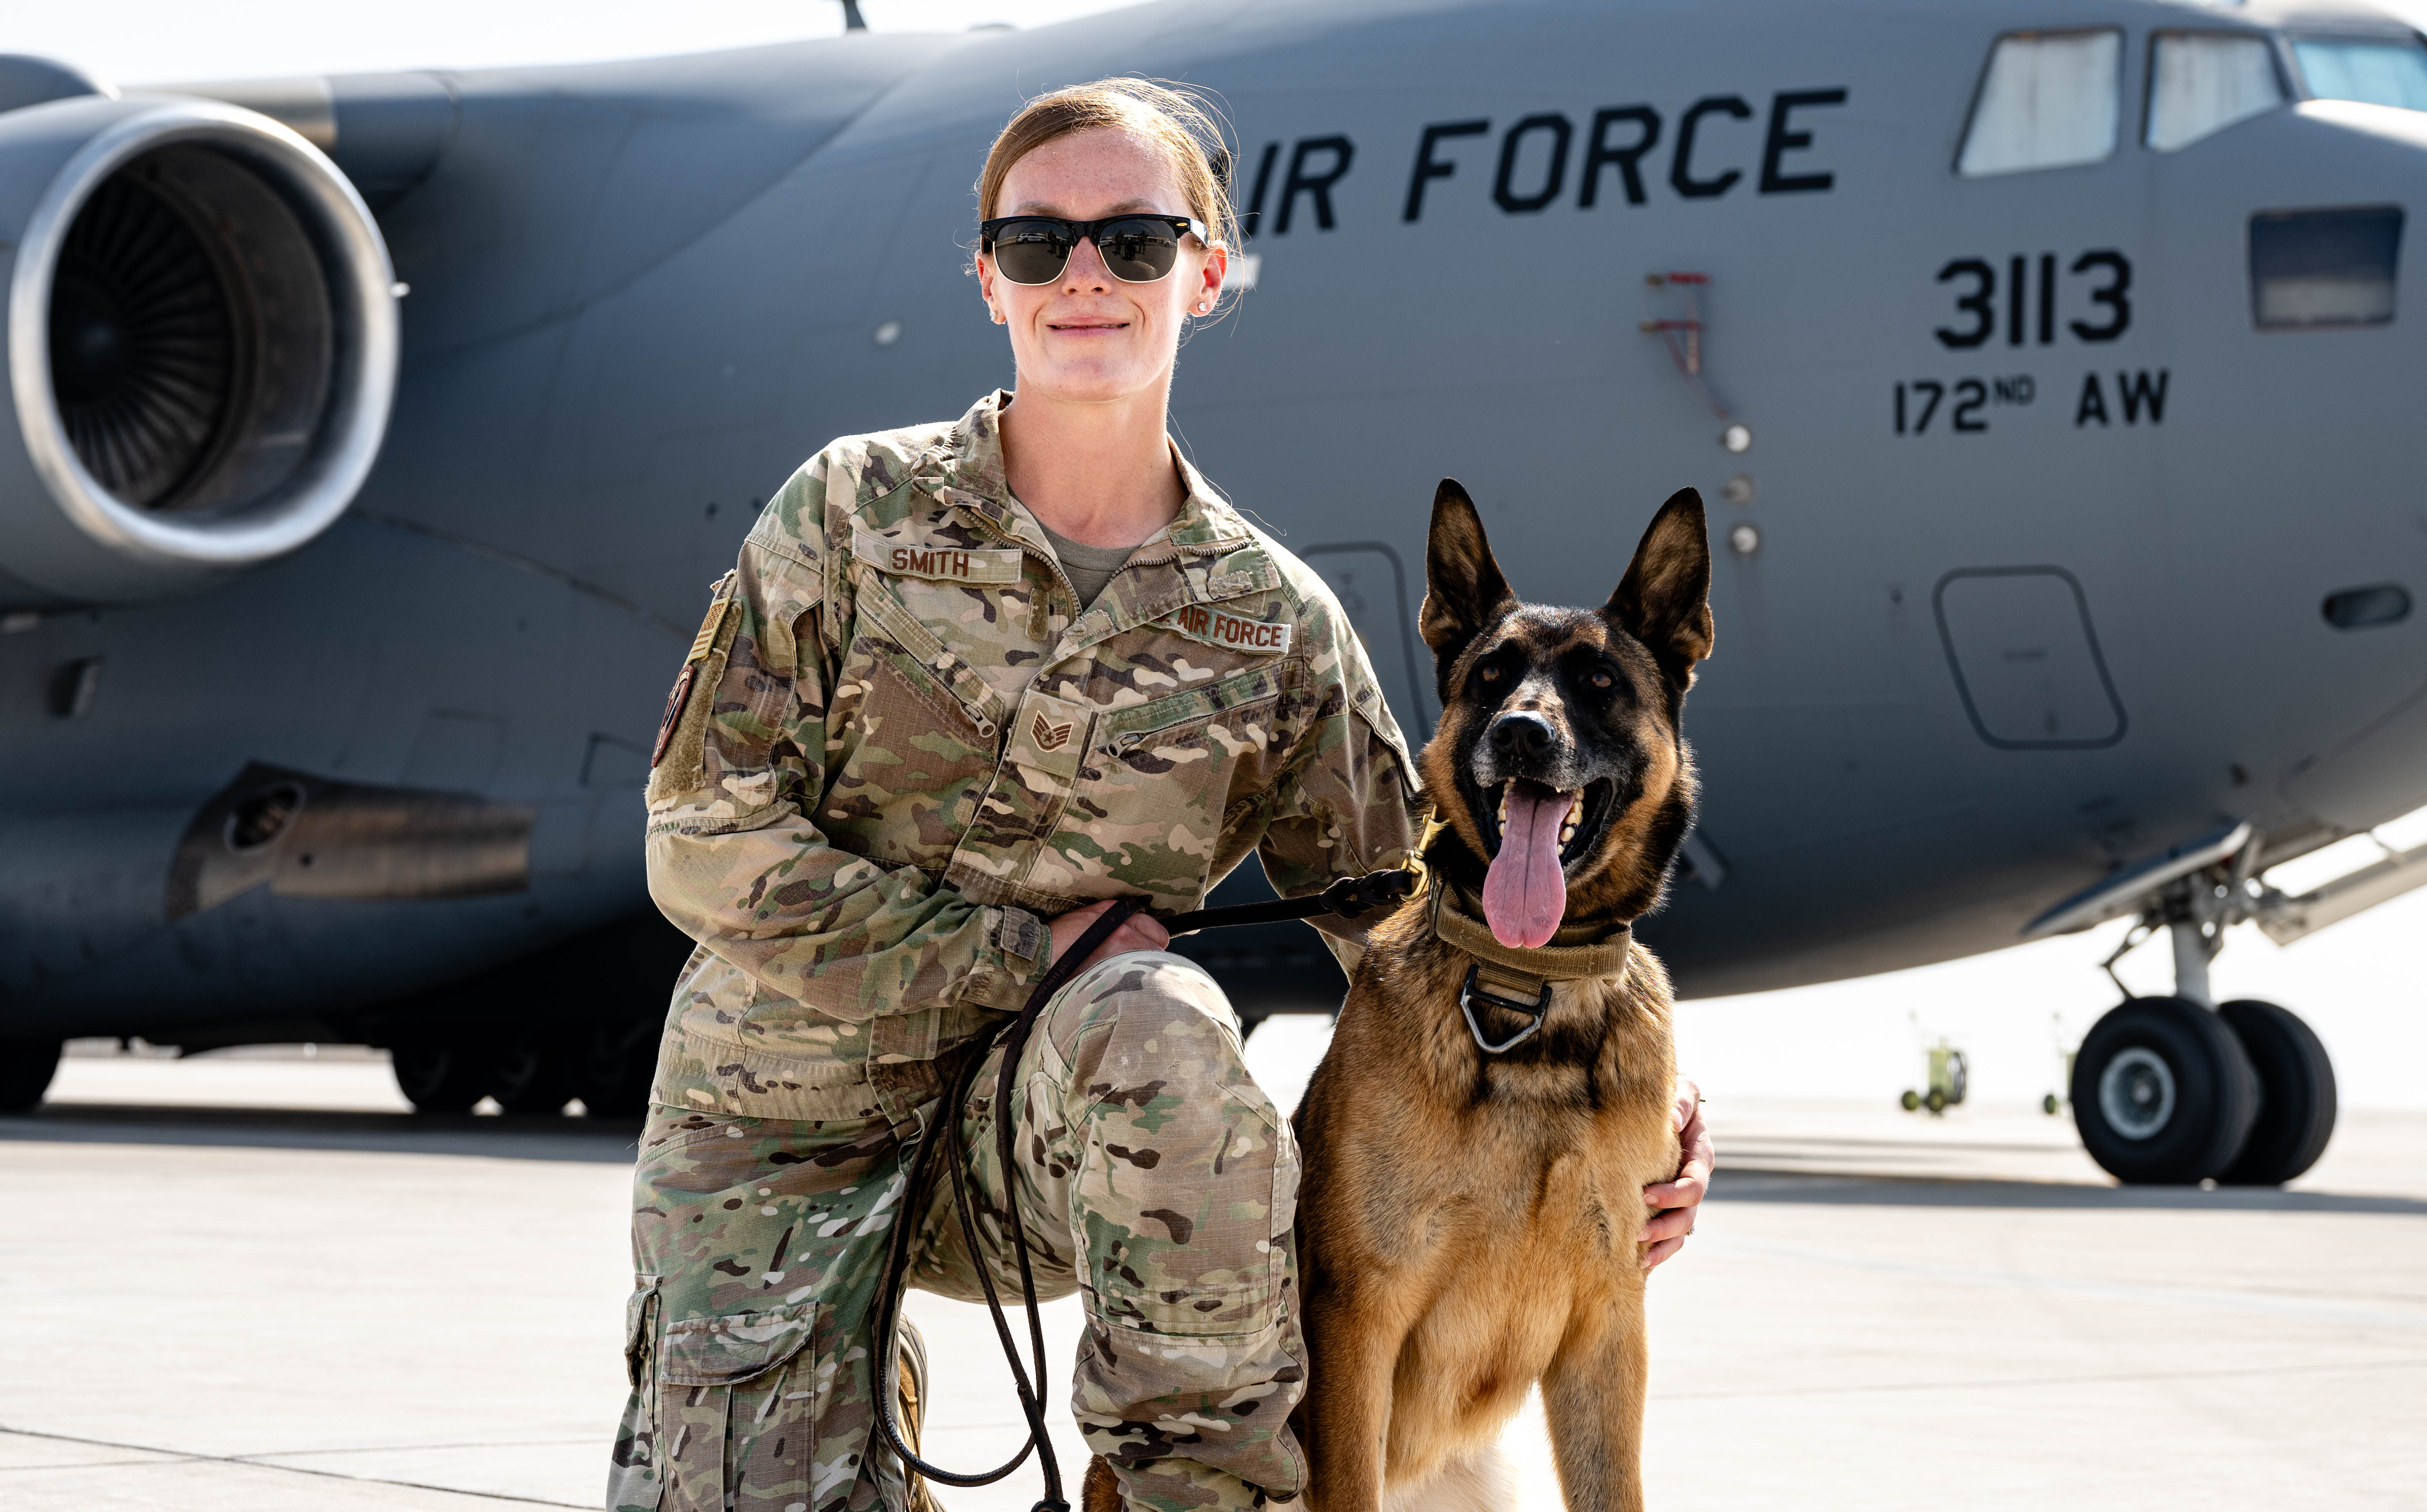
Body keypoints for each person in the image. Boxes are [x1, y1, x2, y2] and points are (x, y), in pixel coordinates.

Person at [606, 79, 1713, 1512]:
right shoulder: (847, 512)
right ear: (988, 277)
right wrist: (1016, 953)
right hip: (780, 1123)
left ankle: (1187, 1484)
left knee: (1164, 1023)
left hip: (1063, 1137)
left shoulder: (1270, 623)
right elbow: (701, 839)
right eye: (1036, 242)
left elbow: (1417, 914)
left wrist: (1641, 1116)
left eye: (1134, 240)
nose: (1084, 274)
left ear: (1205, 272)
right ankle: (847, 1390)